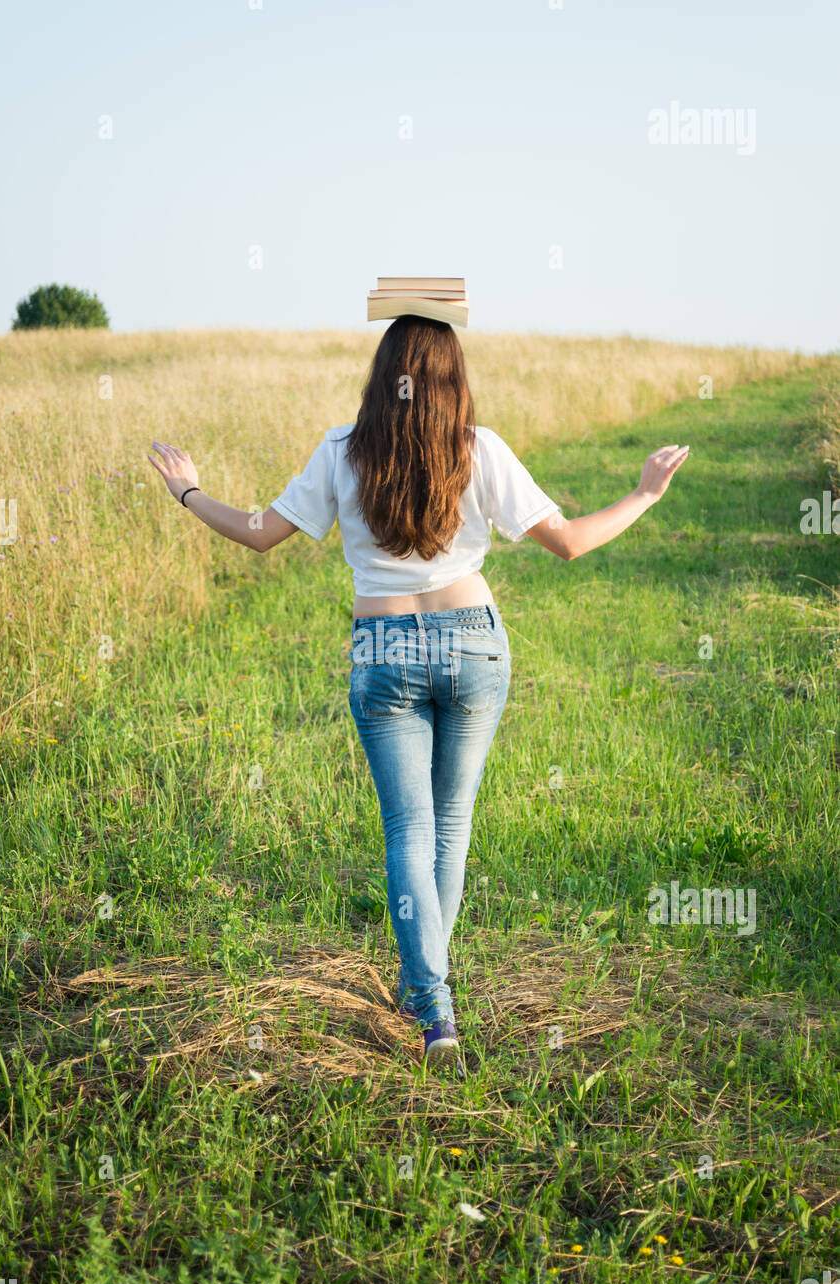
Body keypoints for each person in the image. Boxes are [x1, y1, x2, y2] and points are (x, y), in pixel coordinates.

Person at [148, 314, 688, 1078]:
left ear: (383, 372)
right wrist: (644, 493)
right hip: (474, 639)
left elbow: (259, 531)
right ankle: (426, 990)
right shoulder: (479, 447)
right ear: (451, 374)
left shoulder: (343, 449)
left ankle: (432, 1010)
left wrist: (188, 491)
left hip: (383, 648)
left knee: (407, 827)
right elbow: (568, 541)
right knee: (450, 822)